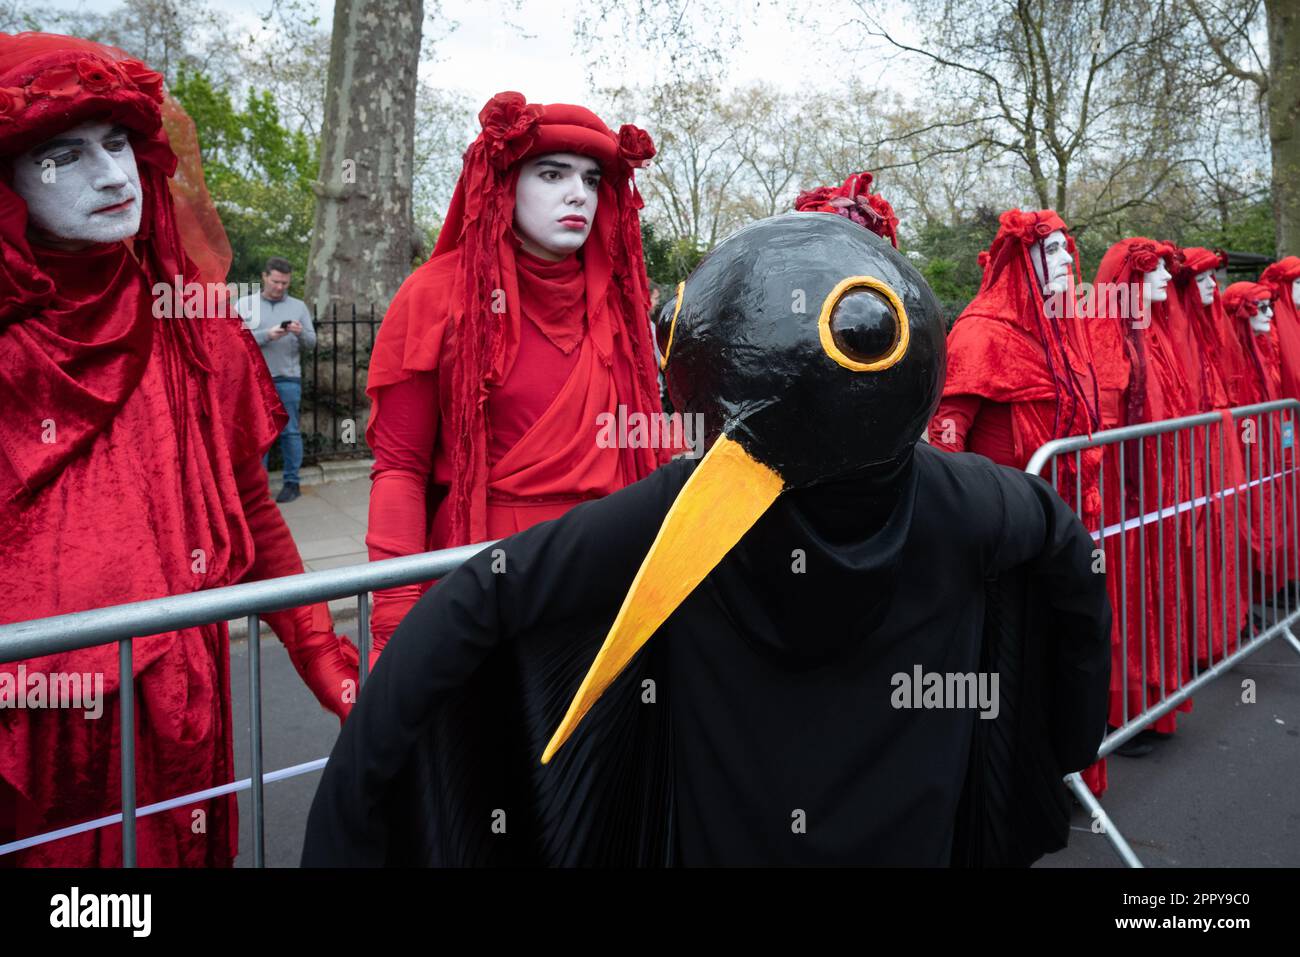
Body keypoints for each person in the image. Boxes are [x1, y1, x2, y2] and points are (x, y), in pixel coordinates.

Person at [303, 212, 1111, 867]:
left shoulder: (678, 513)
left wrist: (352, 818)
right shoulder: (981, 502)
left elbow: (482, 597)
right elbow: (1072, 563)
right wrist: (1068, 734)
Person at [0, 33, 357, 867]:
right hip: (29, 738)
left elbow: (252, 512)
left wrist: (322, 658)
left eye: (120, 142)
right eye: (65, 153)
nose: (115, 175)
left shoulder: (192, 325)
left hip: (179, 715)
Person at [362, 93, 670, 668]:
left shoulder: (623, 306)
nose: (578, 194)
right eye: (552, 174)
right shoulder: (433, 295)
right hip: (489, 580)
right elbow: (399, 470)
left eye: (591, 179)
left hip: (610, 582)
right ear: (504, 184)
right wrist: (393, 629)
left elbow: (643, 447)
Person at [237, 256, 315, 503]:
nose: (280, 287)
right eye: (276, 282)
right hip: (255, 380)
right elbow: (234, 342)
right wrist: (266, 336)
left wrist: (300, 333)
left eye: (285, 283)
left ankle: (292, 483)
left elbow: (312, 343)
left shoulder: (298, 307)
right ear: (264, 277)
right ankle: (259, 488)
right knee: (259, 435)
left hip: (288, 378)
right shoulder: (244, 304)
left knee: (290, 432)